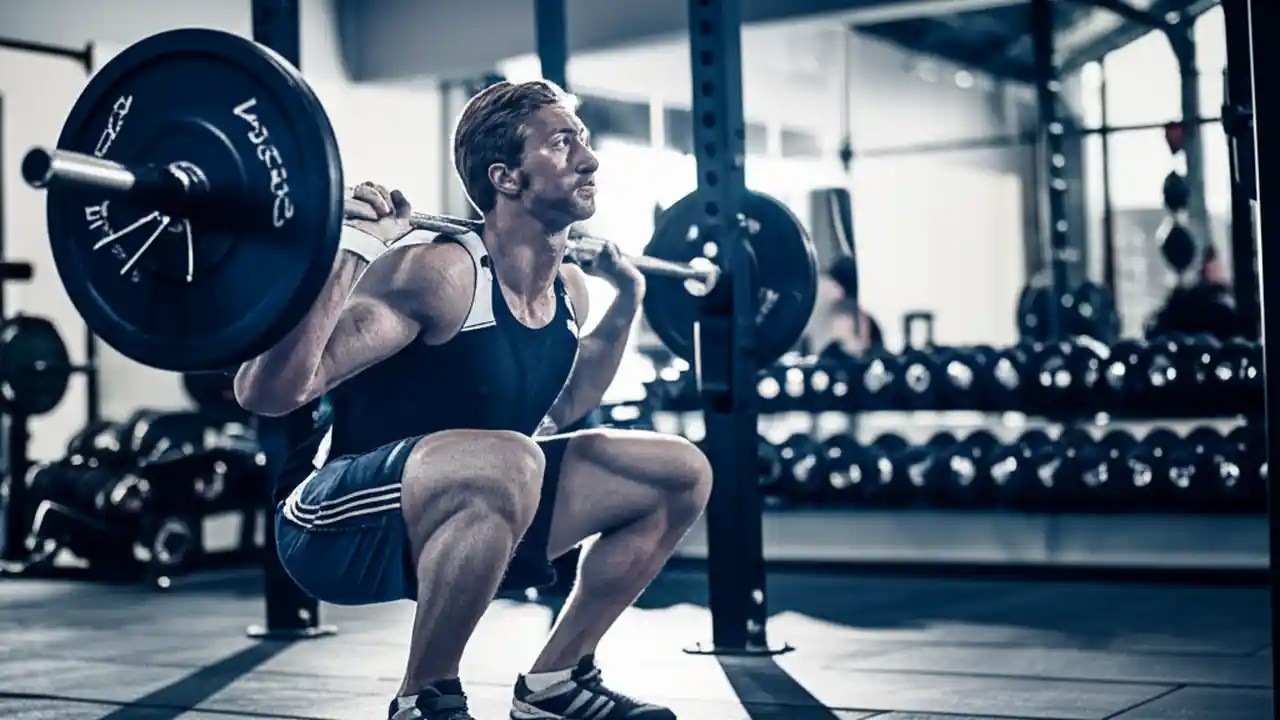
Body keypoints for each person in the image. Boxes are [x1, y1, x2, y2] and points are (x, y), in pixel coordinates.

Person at [233, 79, 713, 720]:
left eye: (586, 141)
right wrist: (351, 250)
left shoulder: (571, 288)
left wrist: (627, 303)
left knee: (678, 472)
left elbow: (562, 408)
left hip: (476, 504)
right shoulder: (440, 274)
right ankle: (425, 698)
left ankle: (556, 683)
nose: (590, 158)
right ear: (506, 178)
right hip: (333, 524)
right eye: (563, 142)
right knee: (514, 459)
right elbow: (267, 393)